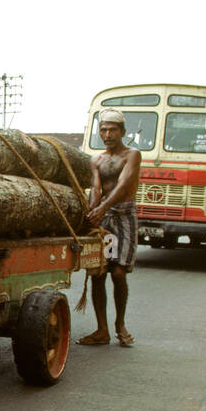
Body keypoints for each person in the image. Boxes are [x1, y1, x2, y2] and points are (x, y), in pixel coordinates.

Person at [76, 108, 141, 347]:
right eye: (103, 129)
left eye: (112, 129)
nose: (107, 134)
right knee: (98, 273)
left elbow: (124, 185)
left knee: (119, 273)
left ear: (122, 131)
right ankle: (101, 329)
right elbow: (96, 189)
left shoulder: (132, 155)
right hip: (105, 219)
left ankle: (119, 324)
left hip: (124, 215)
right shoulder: (97, 159)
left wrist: (102, 208)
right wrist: (92, 210)